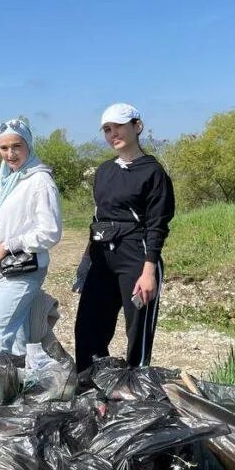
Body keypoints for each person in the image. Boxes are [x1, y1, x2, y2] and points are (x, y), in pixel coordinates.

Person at [74, 103, 175, 369]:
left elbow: (157, 225)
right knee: (88, 326)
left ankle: (136, 392)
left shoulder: (153, 172)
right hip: (101, 256)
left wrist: (149, 270)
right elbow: (98, 218)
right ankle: (92, 385)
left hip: (136, 255)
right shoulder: (105, 170)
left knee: (137, 330)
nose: (112, 133)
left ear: (136, 126)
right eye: (107, 129)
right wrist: (86, 260)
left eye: (118, 126)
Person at [0, 119, 63, 360]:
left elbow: (50, 231)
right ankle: (20, 392)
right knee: (16, 338)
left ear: (28, 144)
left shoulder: (39, 181)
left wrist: (8, 246)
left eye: (16, 146)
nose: (10, 153)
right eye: (4, 148)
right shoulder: (10, 180)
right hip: (3, 272)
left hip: (23, 269)